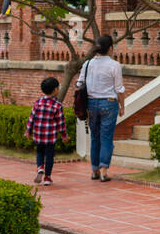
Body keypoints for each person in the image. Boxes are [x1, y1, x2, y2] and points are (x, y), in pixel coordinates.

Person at [75, 34, 125, 182]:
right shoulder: (114, 65)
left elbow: (79, 85)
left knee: (95, 137)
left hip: (91, 104)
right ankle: (104, 171)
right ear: (110, 48)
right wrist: (123, 106)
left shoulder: (88, 64)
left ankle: (94, 170)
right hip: (108, 103)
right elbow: (119, 89)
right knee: (106, 138)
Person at [26, 76, 68, 186]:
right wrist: (64, 135)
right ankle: (47, 177)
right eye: (58, 88)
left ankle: (40, 167)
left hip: (38, 134)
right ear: (54, 90)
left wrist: (28, 131)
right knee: (49, 155)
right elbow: (61, 123)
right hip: (50, 136)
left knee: (39, 152)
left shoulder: (37, 102)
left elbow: (31, 118)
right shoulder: (57, 105)